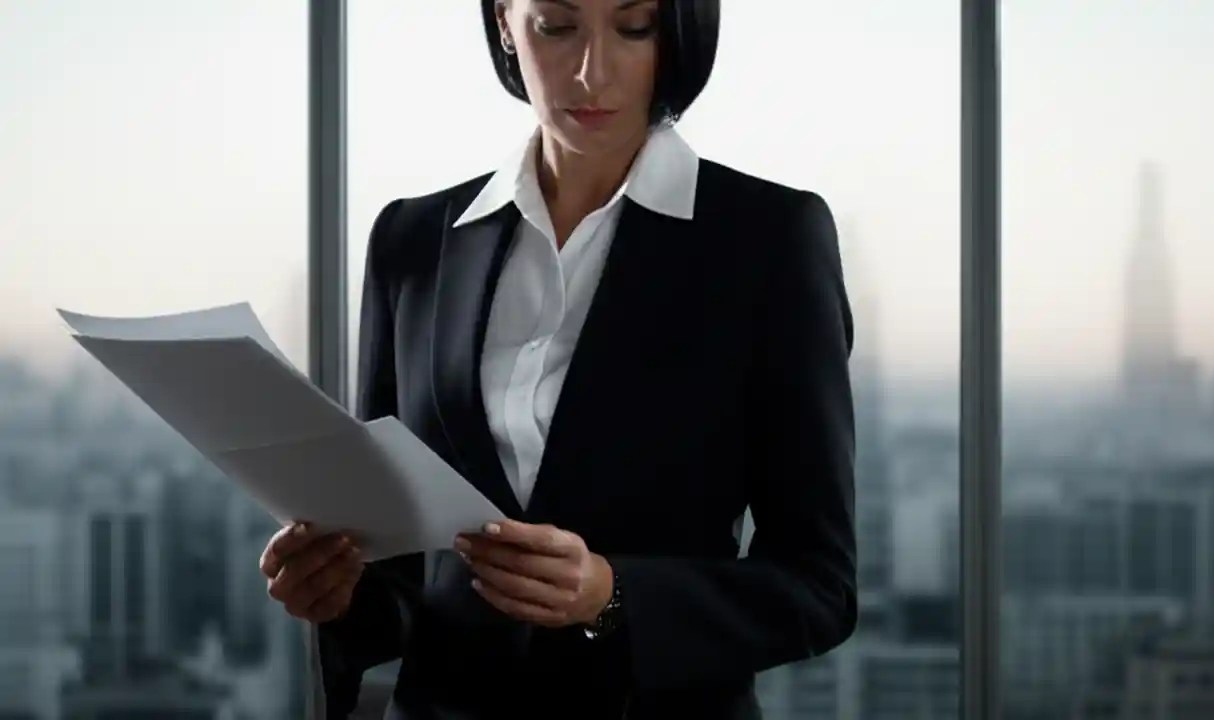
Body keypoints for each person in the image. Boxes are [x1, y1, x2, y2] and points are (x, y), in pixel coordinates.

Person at [258, 0, 858, 717]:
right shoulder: (413, 241)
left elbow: (819, 587)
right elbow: (402, 581)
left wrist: (611, 597)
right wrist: (340, 594)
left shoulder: (768, 242)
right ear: (506, 21)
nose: (590, 71)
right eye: (556, 26)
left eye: (634, 28)